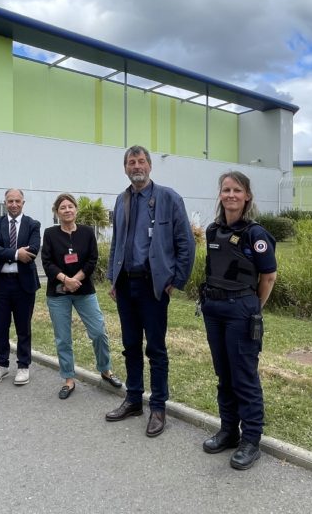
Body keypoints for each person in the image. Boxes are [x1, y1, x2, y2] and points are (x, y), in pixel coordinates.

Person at [105, 145, 195, 437]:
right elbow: (117, 242)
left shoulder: (168, 198)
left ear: (150, 166)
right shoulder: (122, 200)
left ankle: (158, 406)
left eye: (141, 161)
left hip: (153, 286)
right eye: (131, 162)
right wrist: (112, 279)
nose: (136, 166)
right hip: (125, 284)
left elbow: (186, 244)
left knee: (155, 348)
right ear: (125, 168)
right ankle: (133, 399)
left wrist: (175, 282)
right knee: (130, 345)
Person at [199, 170, 277, 470]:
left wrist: (253, 307)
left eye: (237, 190)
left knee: (244, 376)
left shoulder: (256, 234)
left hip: (241, 310)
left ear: (247, 196)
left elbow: (268, 276)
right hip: (214, 309)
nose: (231, 195)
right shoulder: (212, 231)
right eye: (226, 189)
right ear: (220, 195)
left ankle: (251, 440)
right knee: (225, 376)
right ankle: (229, 431)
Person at [41, 193, 123, 399]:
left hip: (84, 290)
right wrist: (65, 280)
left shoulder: (87, 232)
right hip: (58, 292)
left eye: (70, 206)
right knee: (63, 338)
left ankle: (105, 370)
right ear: (57, 212)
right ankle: (69, 378)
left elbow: (92, 259)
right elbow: (47, 262)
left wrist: (75, 279)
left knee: (98, 332)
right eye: (62, 207)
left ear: (76, 209)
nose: (67, 210)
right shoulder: (50, 234)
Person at [0, 188, 41, 386]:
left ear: (23, 202)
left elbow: (33, 250)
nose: (14, 204)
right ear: (5, 203)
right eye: (10, 201)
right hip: (0, 283)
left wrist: (5, 252)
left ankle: (23, 366)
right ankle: (2, 366)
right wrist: (16, 254)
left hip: (23, 283)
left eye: (17, 201)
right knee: (0, 327)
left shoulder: (33, 224)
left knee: (23, 327)